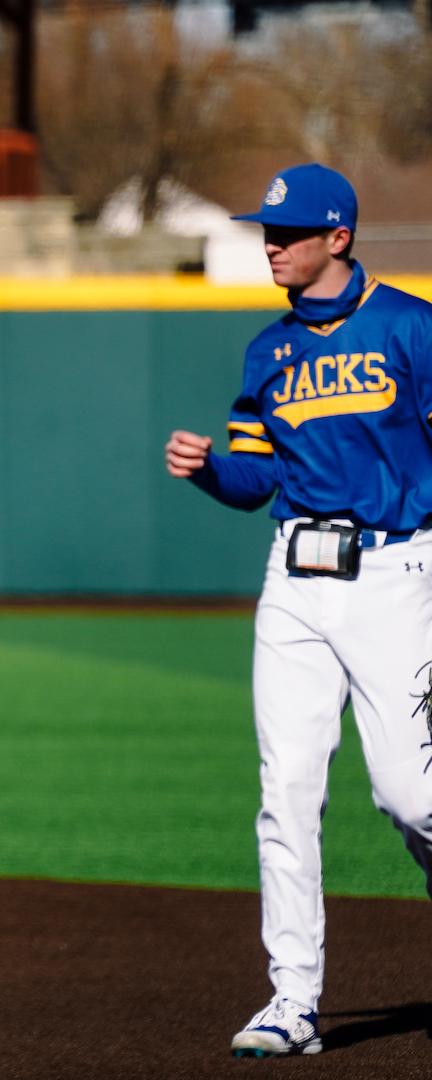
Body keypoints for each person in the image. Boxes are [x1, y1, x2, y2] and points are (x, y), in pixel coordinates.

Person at [162, 162, 432, 1059]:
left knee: (411, 795)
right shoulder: (268, 353)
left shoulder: (409, 327)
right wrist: (208, 472)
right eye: (268, 231)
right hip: (294, 584)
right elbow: (256, 480)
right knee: (286, 794)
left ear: (338, 238)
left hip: (399, 574)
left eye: (288, 233)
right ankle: (293, 1000)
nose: (271, 244)